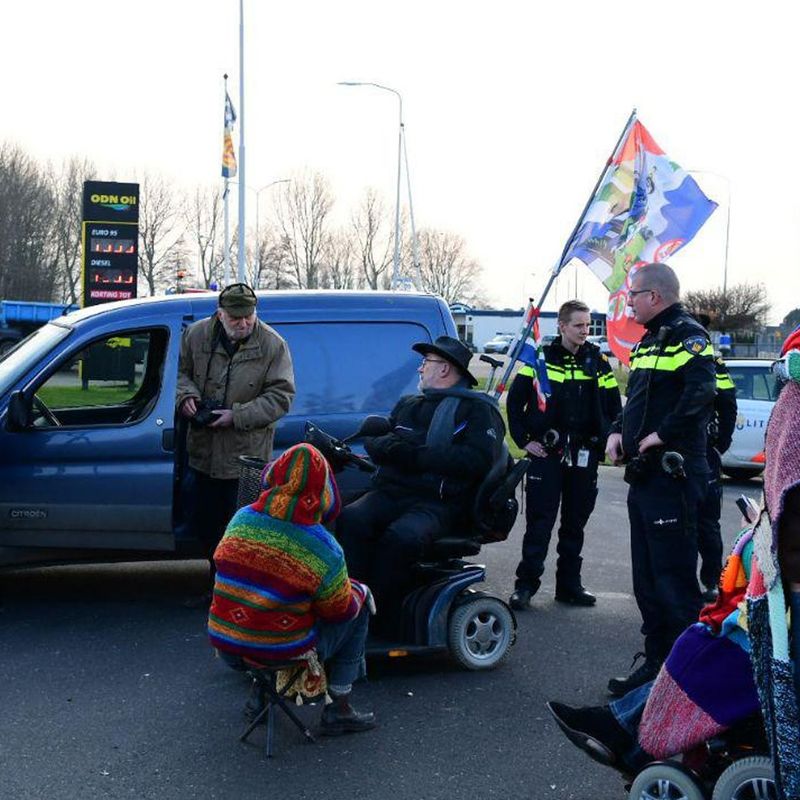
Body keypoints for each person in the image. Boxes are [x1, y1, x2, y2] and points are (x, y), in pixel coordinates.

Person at [208, 442, 376, 735]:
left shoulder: (242, 518)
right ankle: (339, 708)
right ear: (324, 493)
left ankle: (260, 694)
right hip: (282, 651)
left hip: (229, 647)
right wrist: (359, 592)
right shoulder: (323, 547)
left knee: (263, 604)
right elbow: (338, 611)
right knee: (358, 608)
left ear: (274, 476)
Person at [605, 263, 716, 696]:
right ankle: (656, 665)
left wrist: (661, 435)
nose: (628, 301)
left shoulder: (689, 335)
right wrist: (619, 428)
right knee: (647, 578)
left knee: (673, 581)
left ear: (655, 296)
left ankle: (687, 680)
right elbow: (637, 397)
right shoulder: (650, 339)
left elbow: (701, 393)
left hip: (674, 476)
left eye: (633, 294)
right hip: (645, 478)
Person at [336, 335, 504, 612]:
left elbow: (476, 460)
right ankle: (347, 602)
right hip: (391, 492)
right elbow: (379, 438)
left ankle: (381, 612)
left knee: (402, 537)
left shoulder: (476, 410)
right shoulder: (409, 404)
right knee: (350, 519)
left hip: (437, 502)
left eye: (426, 362)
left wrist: (411, 455)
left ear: (445, 369)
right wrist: (385, 447)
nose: (420, 368)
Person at [507, 300, 622, 610]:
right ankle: (526, 586)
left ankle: (569, 586)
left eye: (587, 325)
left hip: (584, 454)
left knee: (575, 524)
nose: (585, 331)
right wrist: (525, 441)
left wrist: (610, 437)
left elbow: (614, 407)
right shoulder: (540, 360)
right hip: (547, 454)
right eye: (579, 325)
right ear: (562, 326)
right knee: (539, 523)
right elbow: (515, 404)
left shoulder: (597, 362)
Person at [176, 283, 295, 562]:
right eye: (235, 318)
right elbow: (179, 373)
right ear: (220, 314)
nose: (243, 323)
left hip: (245, 462)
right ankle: (215, 590)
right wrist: (186, 397)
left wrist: (236, 416)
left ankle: (238, 596)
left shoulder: (273, 345)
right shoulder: (195, 335)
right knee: (206, 530)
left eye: (248, 317)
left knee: (243, 537)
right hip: (202, 455)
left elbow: (281, 396)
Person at [697, 349, 737, 601]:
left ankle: (711, 581)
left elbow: (728, 404)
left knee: (708, 522)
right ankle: (679, 582)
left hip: (704, 452)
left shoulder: (713, 362)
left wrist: (719, 443)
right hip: (674, 449)